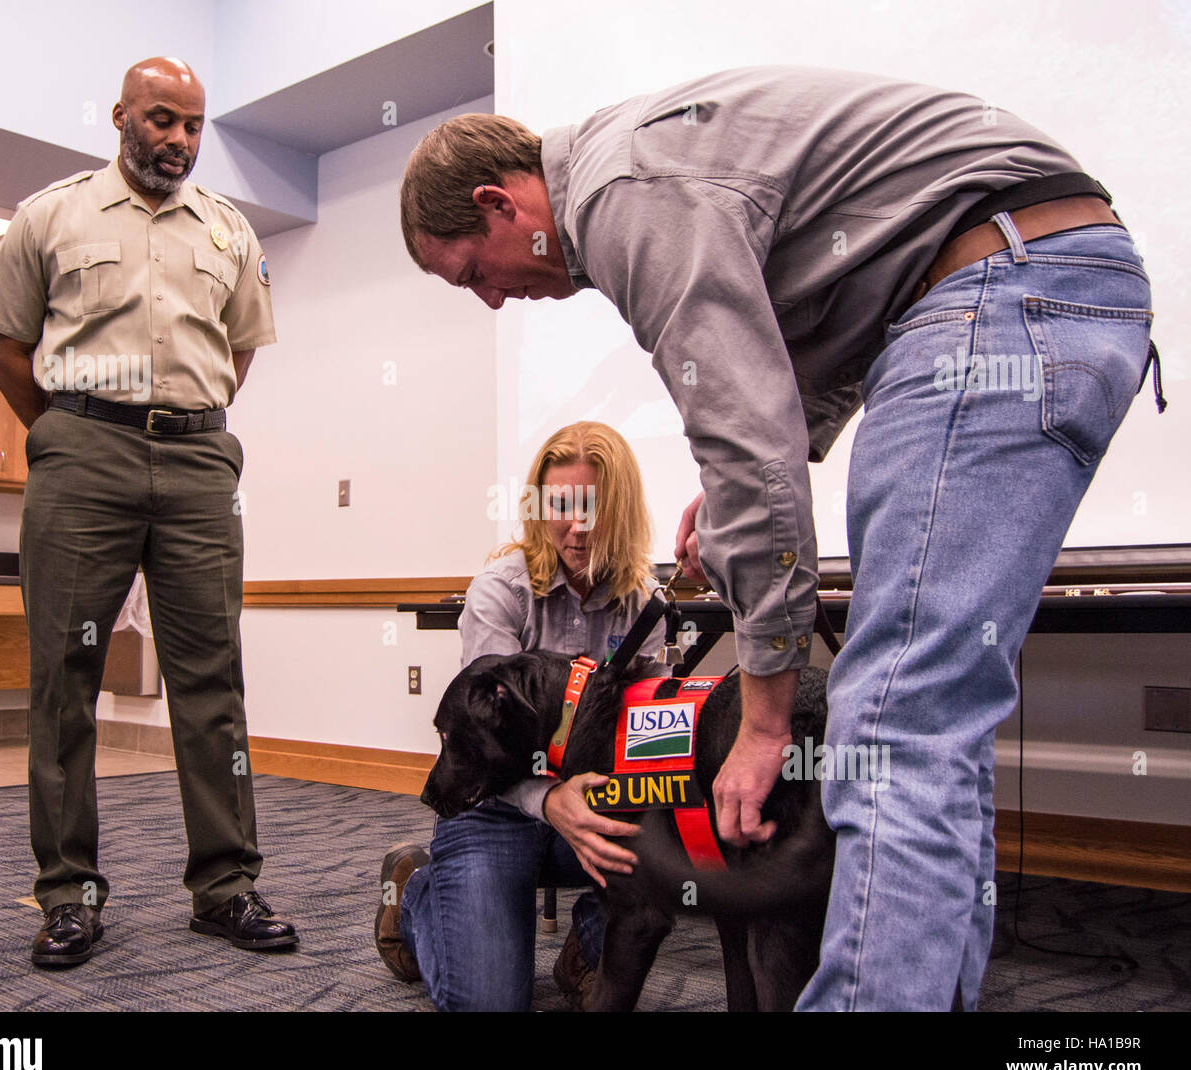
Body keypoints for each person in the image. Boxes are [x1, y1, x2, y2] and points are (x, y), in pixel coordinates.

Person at [397, 67, 1160, 1010]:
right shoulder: (642, 168)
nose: (491, 301)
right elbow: (786, 400)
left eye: (473, 271)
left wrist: (763, 722)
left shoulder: (616, 195)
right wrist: (747, 481)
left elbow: (749, 447)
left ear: (499, 201)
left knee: (891, 724)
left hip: (1002, 292)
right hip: (1045, 289)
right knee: (930, 725)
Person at [0, 57, 297, 967]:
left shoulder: (229, 229)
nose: (178, 140)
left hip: (197, 459)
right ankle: (68, 893)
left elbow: (237, 351)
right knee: (64, 679)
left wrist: (186, 426)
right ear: (121, 116)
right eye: (161, 120)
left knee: (212, 682)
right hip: (81, 451)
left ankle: (225, 886)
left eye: (193, 125)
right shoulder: (52, 214)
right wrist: (62, 437)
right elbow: (2, 342)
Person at [376, 421, 669, 1011]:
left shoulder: (644, 605)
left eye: (594, 507)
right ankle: (414, 895)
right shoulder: (500, 591)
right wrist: (548, 800)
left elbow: (641, 739)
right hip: (496, 809)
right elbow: (485, 740)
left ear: (623, 509)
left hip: (593, 807)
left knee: (664, 842)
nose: (577, 526)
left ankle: (589, 943)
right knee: (491, 1002)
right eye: (560, 506)